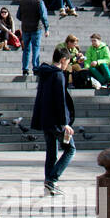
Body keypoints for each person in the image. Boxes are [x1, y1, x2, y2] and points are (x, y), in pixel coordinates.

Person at [32, 47, 76, 196]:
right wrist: (65, 123)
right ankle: (52, 179)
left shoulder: (45, 73)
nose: (67, 65)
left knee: (51, 153)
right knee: (70, 149)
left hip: (45, 119)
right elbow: (60, 100)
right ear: (63, 59)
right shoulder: (58, 75)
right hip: (57, 121)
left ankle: (48, 183)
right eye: (67, 62)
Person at [17, 0, 49, 75]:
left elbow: (18, 16)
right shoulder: (39, 2)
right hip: (36, 28)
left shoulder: (23, 1)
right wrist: (47, 28)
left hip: (25, 28)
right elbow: (44, 16)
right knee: (35, 48)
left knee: (26, 49)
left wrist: (25, 20)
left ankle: (25, 69)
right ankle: (35, 68)